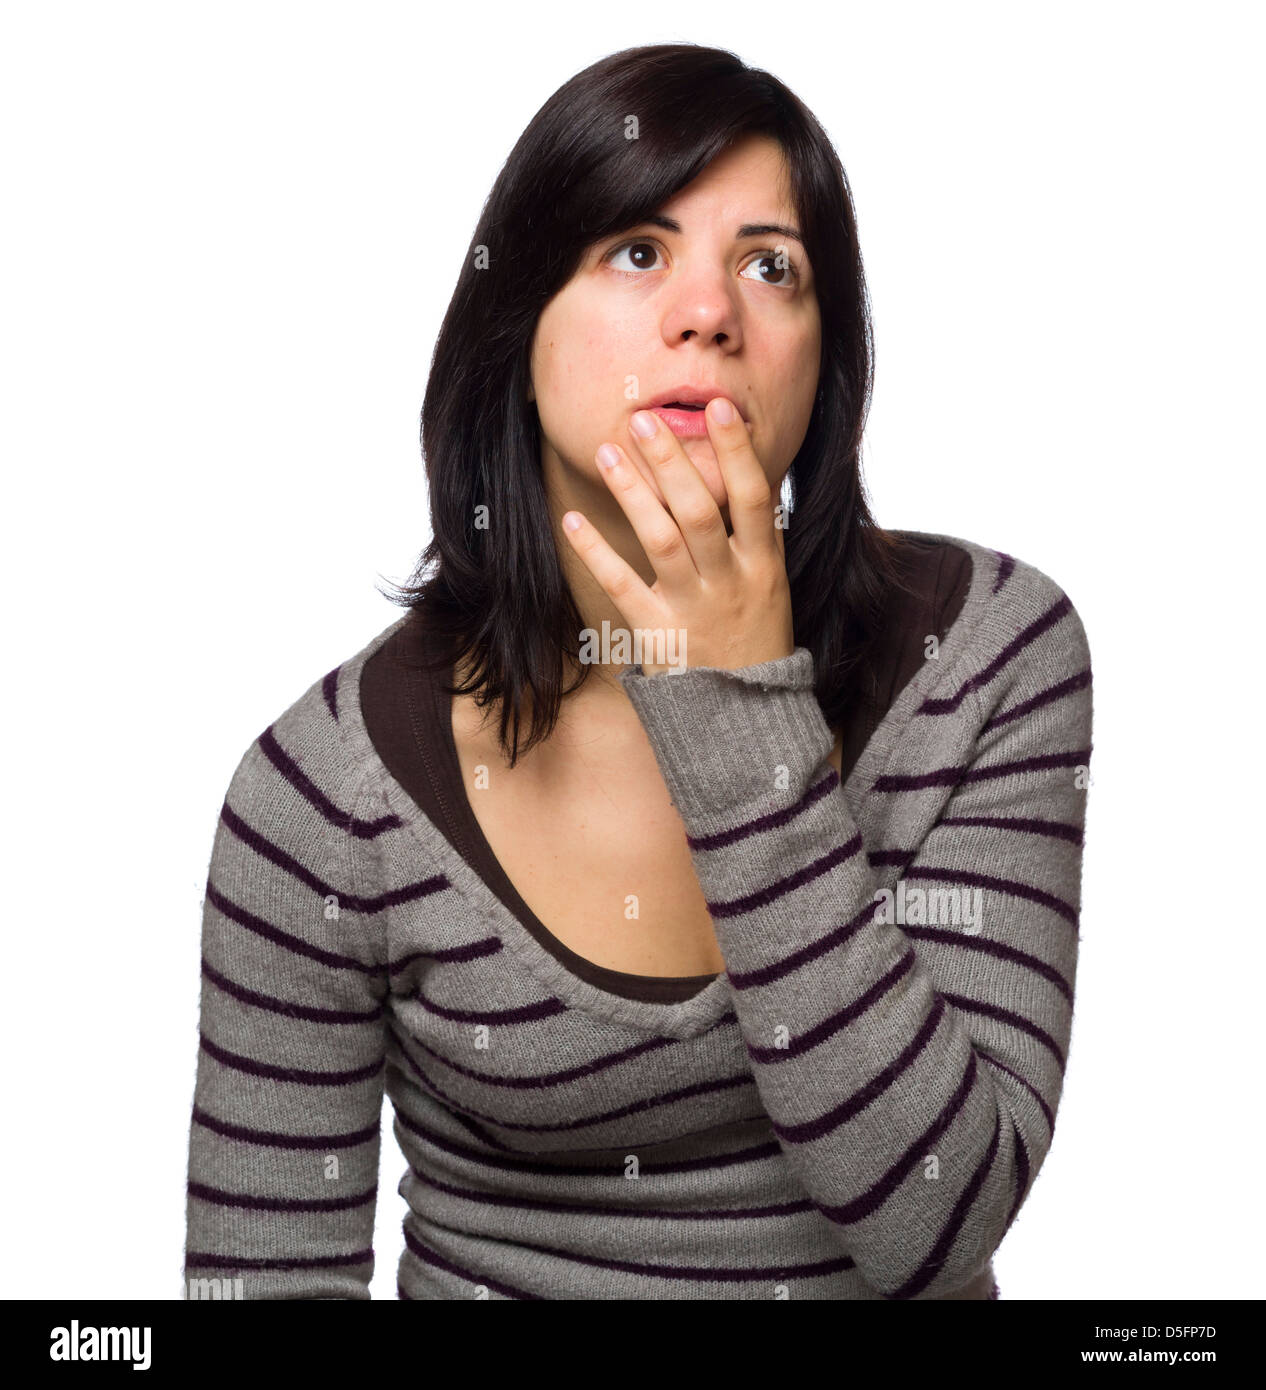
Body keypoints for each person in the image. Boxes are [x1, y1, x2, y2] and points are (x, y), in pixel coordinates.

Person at [183, 43, 1093, 1301]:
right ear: (519, 322)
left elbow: (935, 1233)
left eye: (771, 266)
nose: (710, 310)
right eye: (638, 250)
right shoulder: (327, 796)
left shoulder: (986, 658)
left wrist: (738, 708)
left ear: (823, 363)